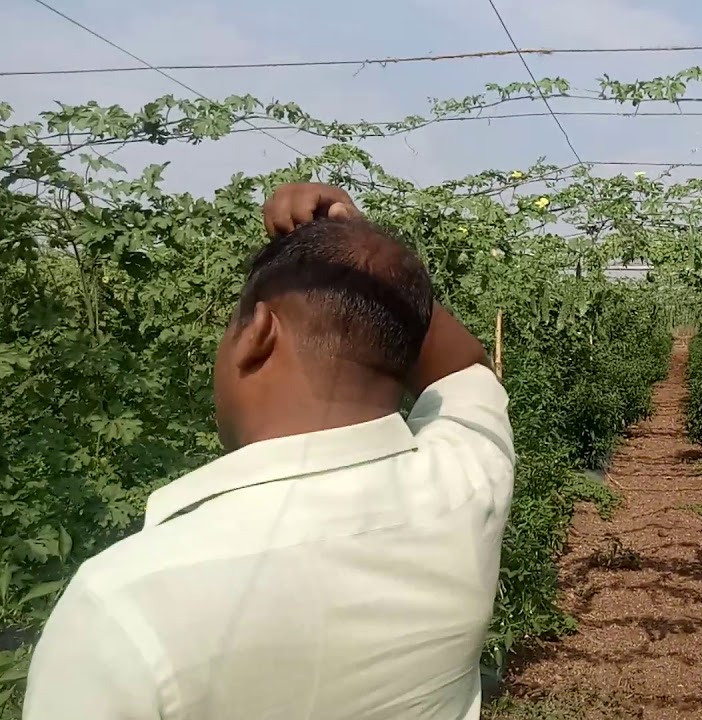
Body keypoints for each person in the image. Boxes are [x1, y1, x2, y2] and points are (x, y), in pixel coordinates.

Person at [23, 183, 514, 719]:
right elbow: (466, 369)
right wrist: (360, 255)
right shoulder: (467, 487)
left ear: (258, 333)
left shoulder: (123, 603)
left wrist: (349, 251)